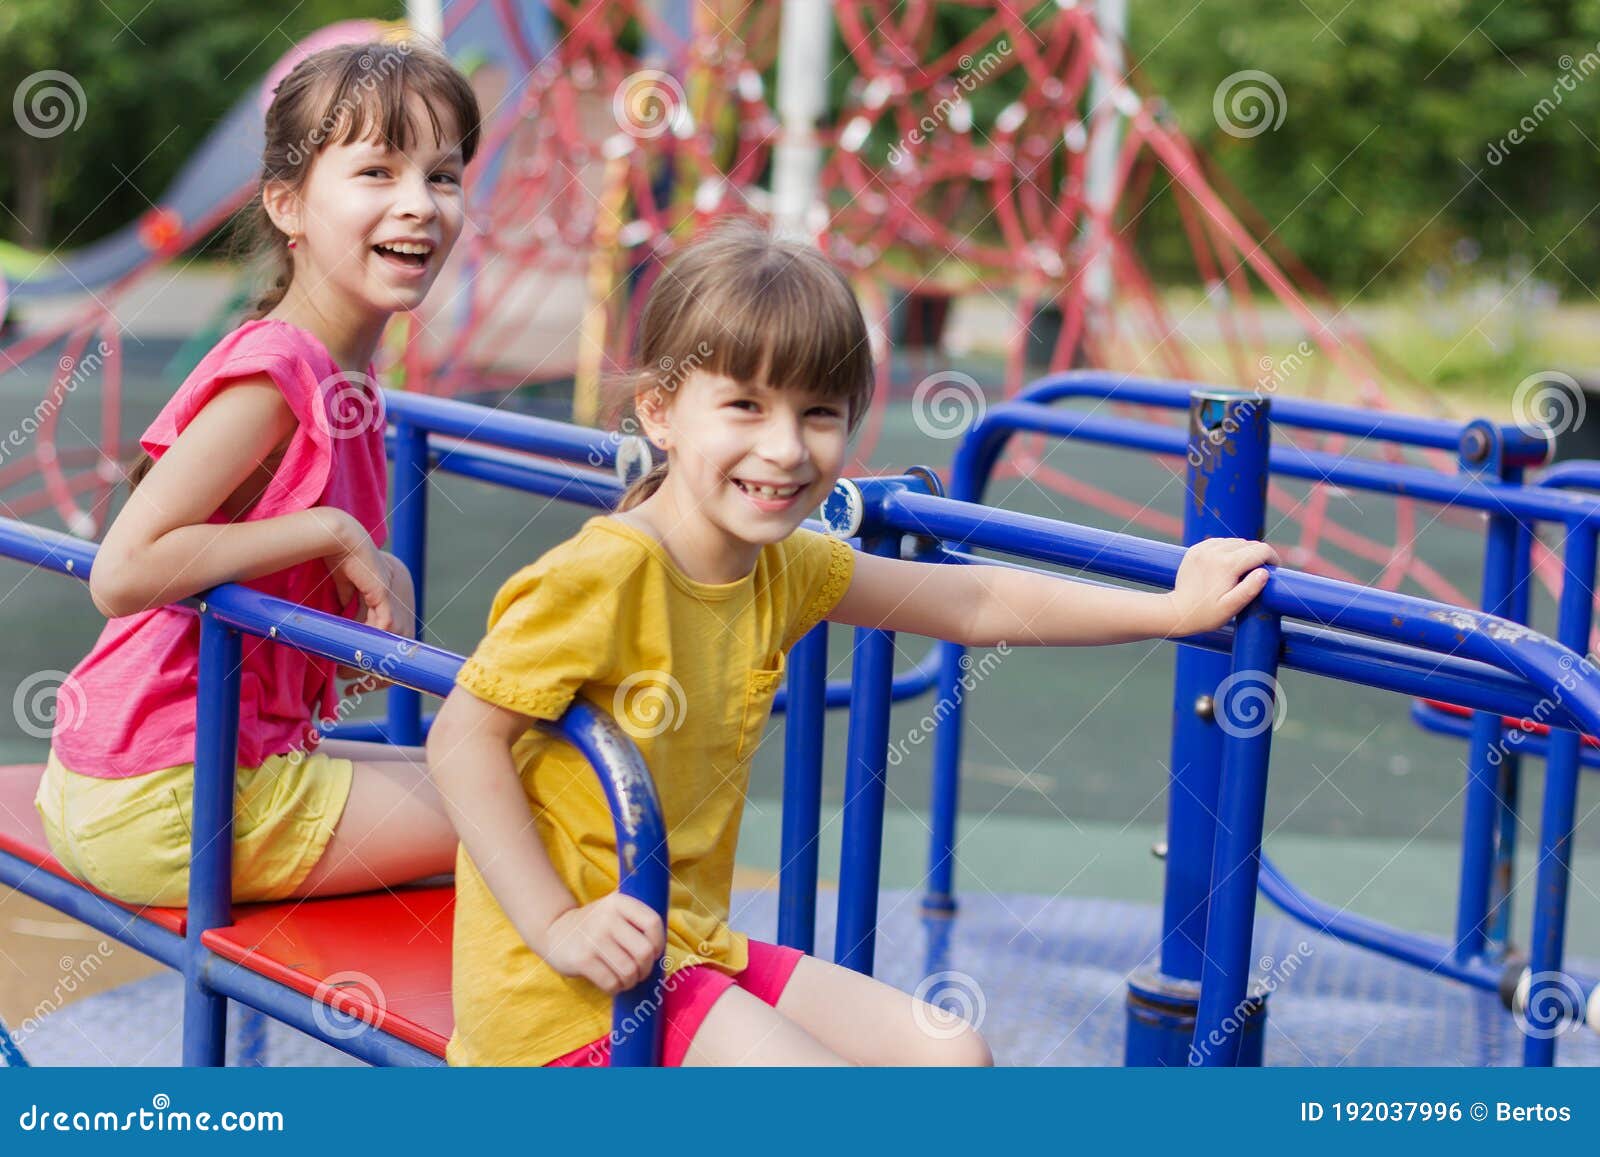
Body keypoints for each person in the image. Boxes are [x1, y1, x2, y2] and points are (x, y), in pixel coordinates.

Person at [426, 221, 1280, 1066]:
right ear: (659, 411)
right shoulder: (608, 573)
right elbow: (462, 736)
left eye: (819, 413)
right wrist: (559, 923)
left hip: (685, 943)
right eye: (745, 406)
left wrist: (1170, 609)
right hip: (564, 993)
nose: (786, 447)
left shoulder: (782, 565)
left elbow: (973, 599)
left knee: (951, 1053)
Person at [34, 38, 480, 907]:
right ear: (288, 205)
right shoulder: (277, 371)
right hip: (167, 791)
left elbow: (335, 627)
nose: (419, 204)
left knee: (488, 765)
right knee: (547, 805)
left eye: (444, 175)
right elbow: (123, 572)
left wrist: (378, 578)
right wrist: (329, 530)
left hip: (173, 763)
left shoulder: (345, 380)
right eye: (378, 172)